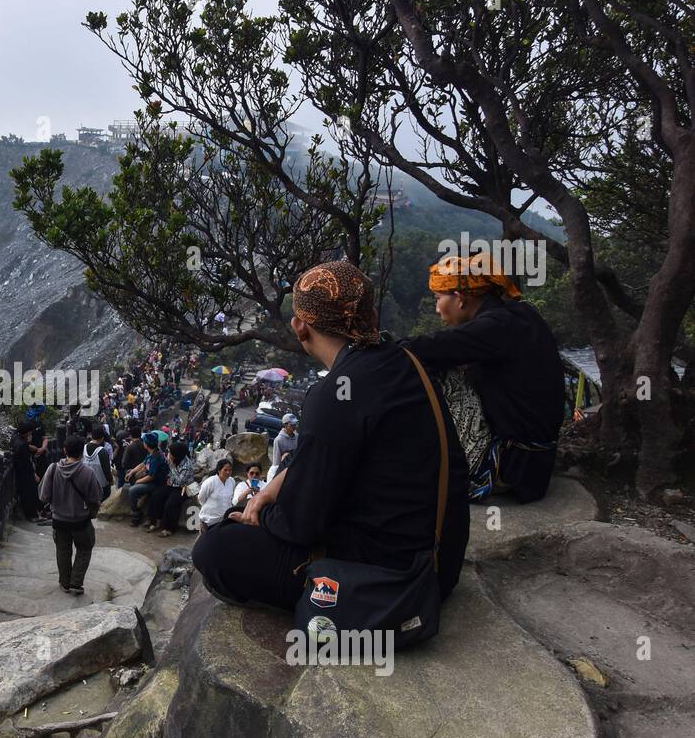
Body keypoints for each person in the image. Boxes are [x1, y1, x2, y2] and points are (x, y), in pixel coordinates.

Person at [192, 259, 469, 611]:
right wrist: (273, 489)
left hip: (394, 581)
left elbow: (301, 525)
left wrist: (258, 514)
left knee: (215, 548)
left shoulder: (334, 396)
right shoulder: (407, 363)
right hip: (440, 558)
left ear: (300, 327)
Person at [400, 252, 564, 503]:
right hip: (534, 465)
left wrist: (379, 346)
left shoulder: (495, 326)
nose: (436, 308)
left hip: (512, 468)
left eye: (438, 298)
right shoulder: (518, 315)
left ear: (460, 297)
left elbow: (431, 347)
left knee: (439, 373)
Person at [39, 435, 103, 596]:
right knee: (85, 548)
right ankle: (76, 583)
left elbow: (43, 497)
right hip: (81, 521)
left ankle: (65, 582)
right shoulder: (87, 473)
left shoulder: (53, 469)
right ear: (82, 452)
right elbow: (96, 497)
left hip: (59, 520)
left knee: (62, 550)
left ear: (64, 450)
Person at [144, 441, 194, 537]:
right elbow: (169, 474)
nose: (169, 454)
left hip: (184, 488)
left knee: (171, 503)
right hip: (172, 483)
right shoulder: (173, 459)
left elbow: (181, 481)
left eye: (171, 452)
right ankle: (155, 520)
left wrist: (172, 467)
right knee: (156, 495)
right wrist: (169, 477)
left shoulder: (187, 465)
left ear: (177, 454)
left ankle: (169, 528)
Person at [126, 432, 168, 526]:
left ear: (146, 444)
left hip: (156, 483)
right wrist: (132, 471)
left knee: (132, 490)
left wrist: (137, 481)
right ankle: (141, 496)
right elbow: (143, 463)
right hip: (150, 479)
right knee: (129, 472)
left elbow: (151, 476)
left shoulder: (156, 457)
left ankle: (136, 514)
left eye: (144, 442)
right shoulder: (152, 452)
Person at [10, 422, 47, 524]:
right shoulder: (21, 446)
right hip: (24, 473)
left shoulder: (15, 437)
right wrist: (34, 474)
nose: (31, 435)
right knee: (30, 494)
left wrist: (33, 447)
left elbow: (26, 446)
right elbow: (27, 463)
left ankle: (37, 512)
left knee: (28, 494)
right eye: (30, 433)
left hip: (20, 472)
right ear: (27, 433)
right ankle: (33, 515)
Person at [197, 458, 237, 531]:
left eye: (230, 470)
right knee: (205, 541)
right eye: (225, 470)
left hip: (224, 520)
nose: (228, 472)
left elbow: (230, 499)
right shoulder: (210, 482)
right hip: (209, 519)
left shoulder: (232, 481)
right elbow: (201, 498)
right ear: (219, 470)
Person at [82, 424, 114, 499]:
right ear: (102, 438)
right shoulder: (102, 452)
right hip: (102, 485)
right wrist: (111, 480)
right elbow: (106, 470)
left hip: (87, 484)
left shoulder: (84, 448)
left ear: (92, 436)